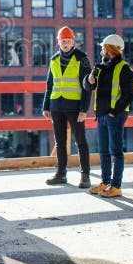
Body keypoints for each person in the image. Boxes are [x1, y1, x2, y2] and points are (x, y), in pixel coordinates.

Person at [85, 34, 133, 198]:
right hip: (102, 115)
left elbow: (128, 95)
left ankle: (116, 186)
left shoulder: (124, 68)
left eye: (103, 48)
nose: (101, 51)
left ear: (110, 49)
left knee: (116, 151)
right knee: (104, 151)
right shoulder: (101, 67)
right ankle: (105, 182)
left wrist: (114, 112)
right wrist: (89, 80)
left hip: (115, 116)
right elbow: (88, 87)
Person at [42, 26, 92, 187]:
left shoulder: (82, 58)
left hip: (75, 107)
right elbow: (50, 84)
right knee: (60, 142)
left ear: (73, 42)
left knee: (81, 141)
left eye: (68, 41)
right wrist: (46, 106)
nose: (65, 44)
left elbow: (88, 86)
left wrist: (84, 109)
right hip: (57, 106)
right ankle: (61, 174)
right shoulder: (54, 59)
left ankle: (85, 176)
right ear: (58, 42)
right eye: (62, 41)